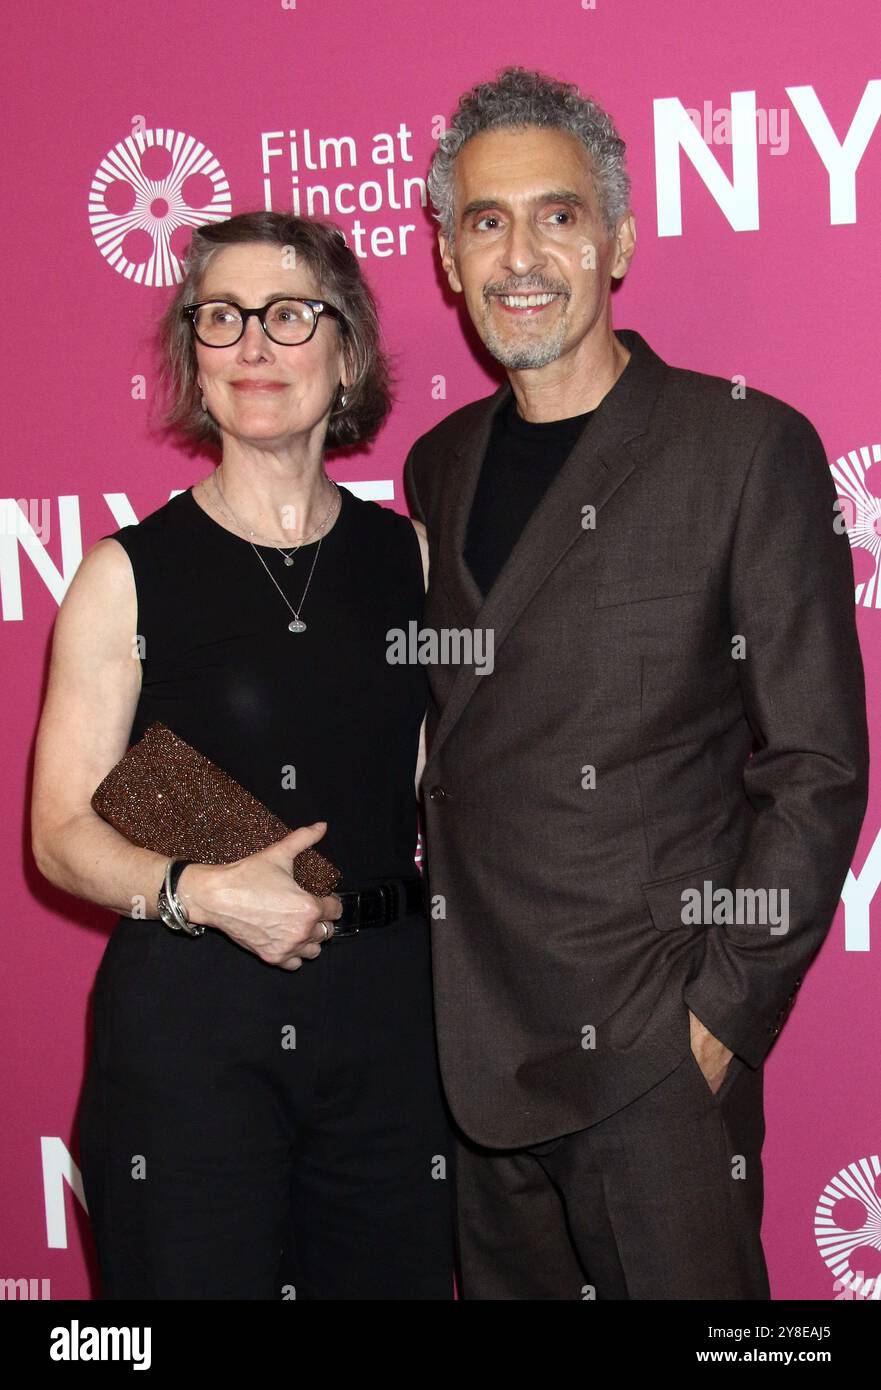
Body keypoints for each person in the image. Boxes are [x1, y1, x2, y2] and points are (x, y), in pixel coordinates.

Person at [403, 66, 869, 1299]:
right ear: (447, 259)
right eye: (483, 221)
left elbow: (815, 769)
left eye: (556, 215)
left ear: (615, 239)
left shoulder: (741, 445)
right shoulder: (436, 465)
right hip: (474, 1049)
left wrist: (719, 1020)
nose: (518, 256)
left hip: (653, 1055)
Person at [31, 210, 454, 1300]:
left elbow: (443, 786)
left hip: (387, 1023)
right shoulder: (125, 575)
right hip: (189, 1028)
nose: (254, 345)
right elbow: (61, 832)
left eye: (288, 315)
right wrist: (198, 890)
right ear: (193, 357)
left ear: (346, 349)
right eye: (220, 318)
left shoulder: (411, 557)